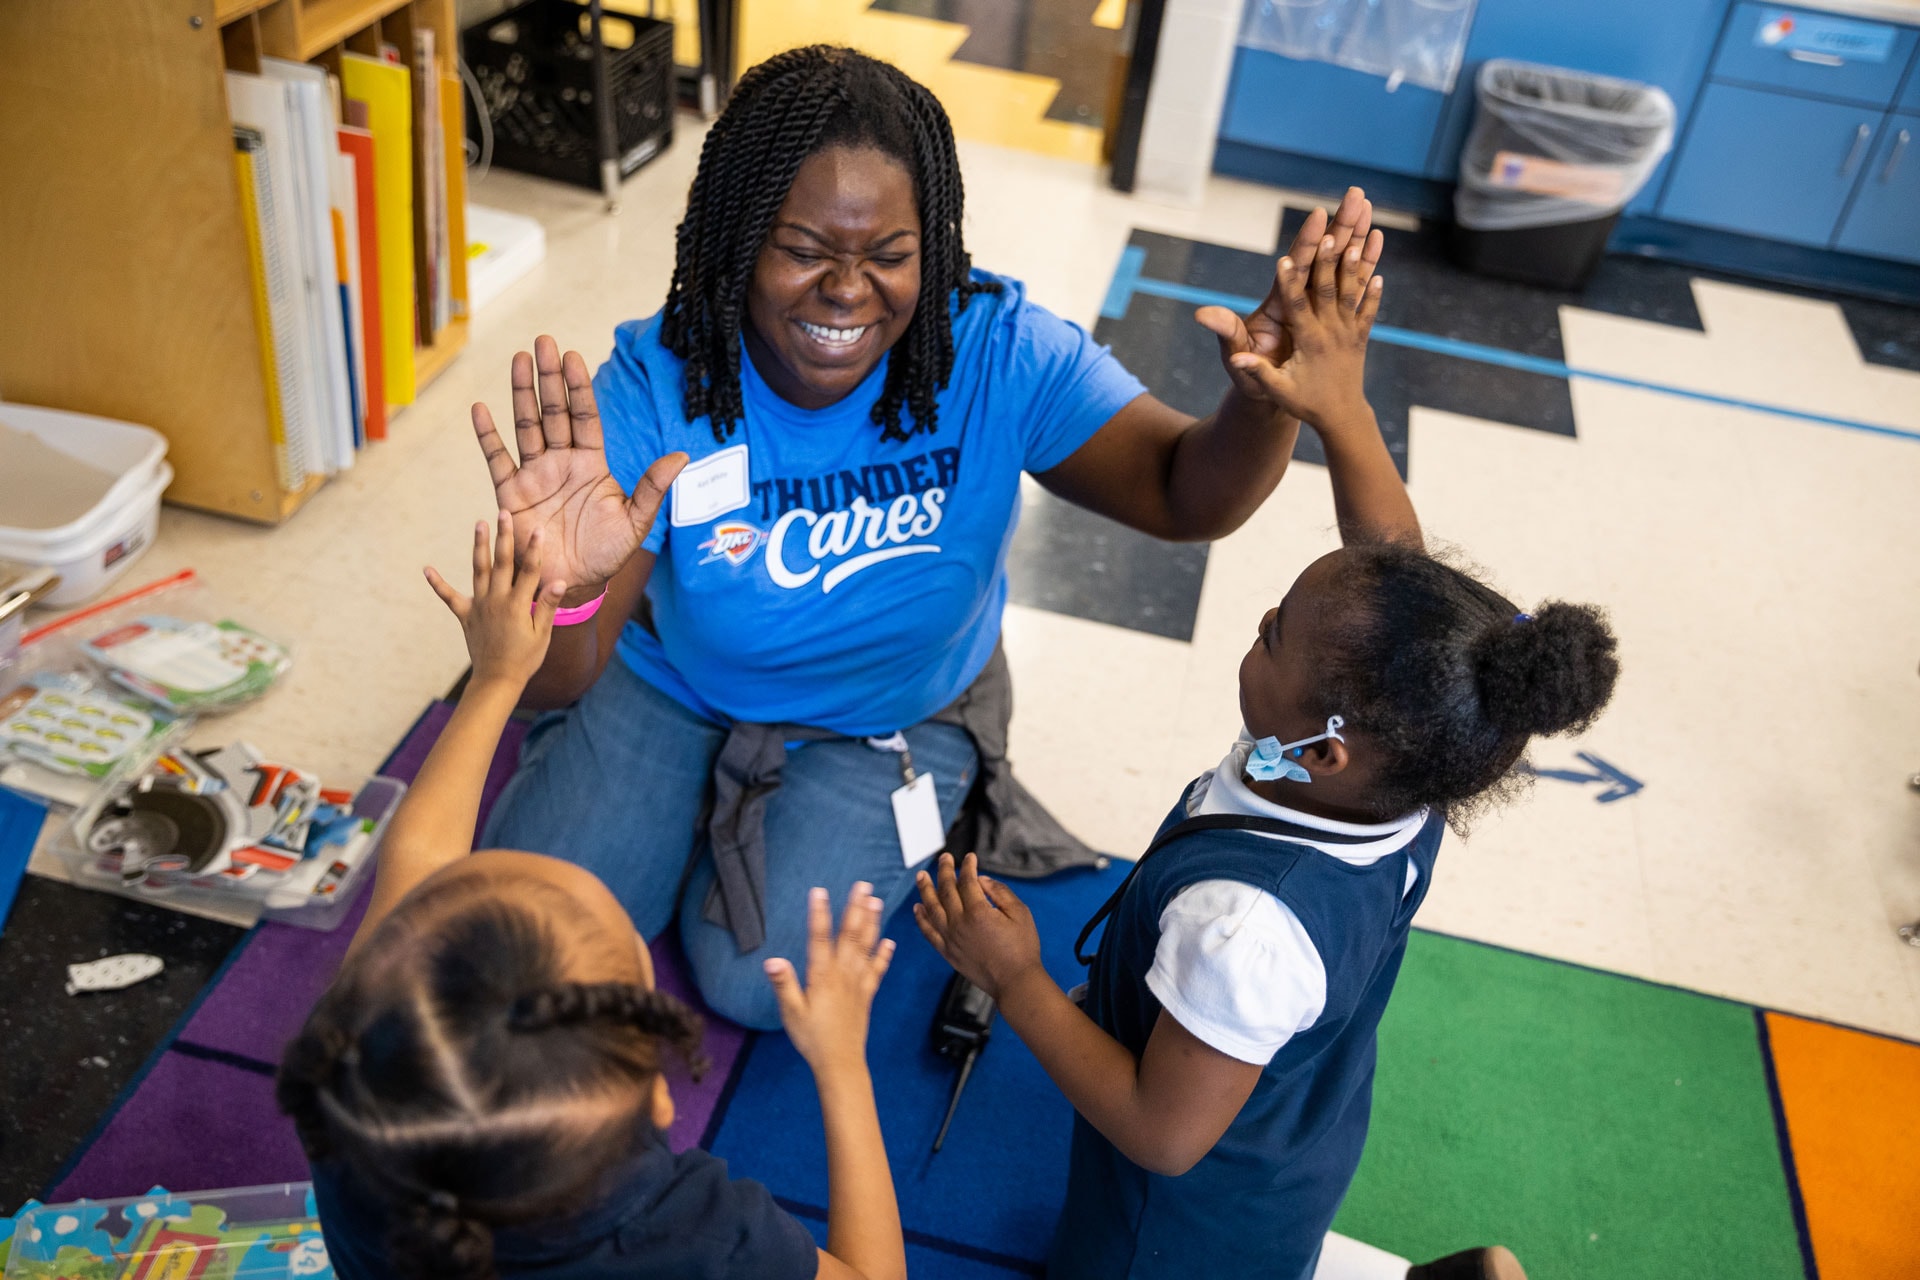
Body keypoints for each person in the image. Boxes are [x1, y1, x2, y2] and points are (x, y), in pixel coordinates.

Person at [467, 44, 1386, 1029]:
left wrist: (1265, 400)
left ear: (934, 248)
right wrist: (560, 587)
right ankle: (662, 789)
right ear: (735, 239)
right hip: (673, 680)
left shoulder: (993, 347)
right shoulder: (659, 381)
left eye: (890, 256)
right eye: (805, 248)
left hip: (893, 714)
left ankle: (870, 795)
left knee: (754, 981)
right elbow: (553, 676)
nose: (848, 291)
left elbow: (1181, 494)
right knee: (528, 946)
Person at [912, 232, 1620, 1279]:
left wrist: (1016, 980)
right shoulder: (1424, 746)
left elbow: (1162, 1133)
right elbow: (1394, 569)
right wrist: (1338, 400)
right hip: (1296, 1129)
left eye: (1274, 633)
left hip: (1181, 1232)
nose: (1260, 618)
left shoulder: (1247, 926)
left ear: (1327, 745)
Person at [277, 516, 909, 1280]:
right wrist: (843, 1064)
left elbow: (418, 861)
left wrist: (496, 679)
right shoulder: (694, 1235)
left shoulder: (355, 1096)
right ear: (659, 1104)